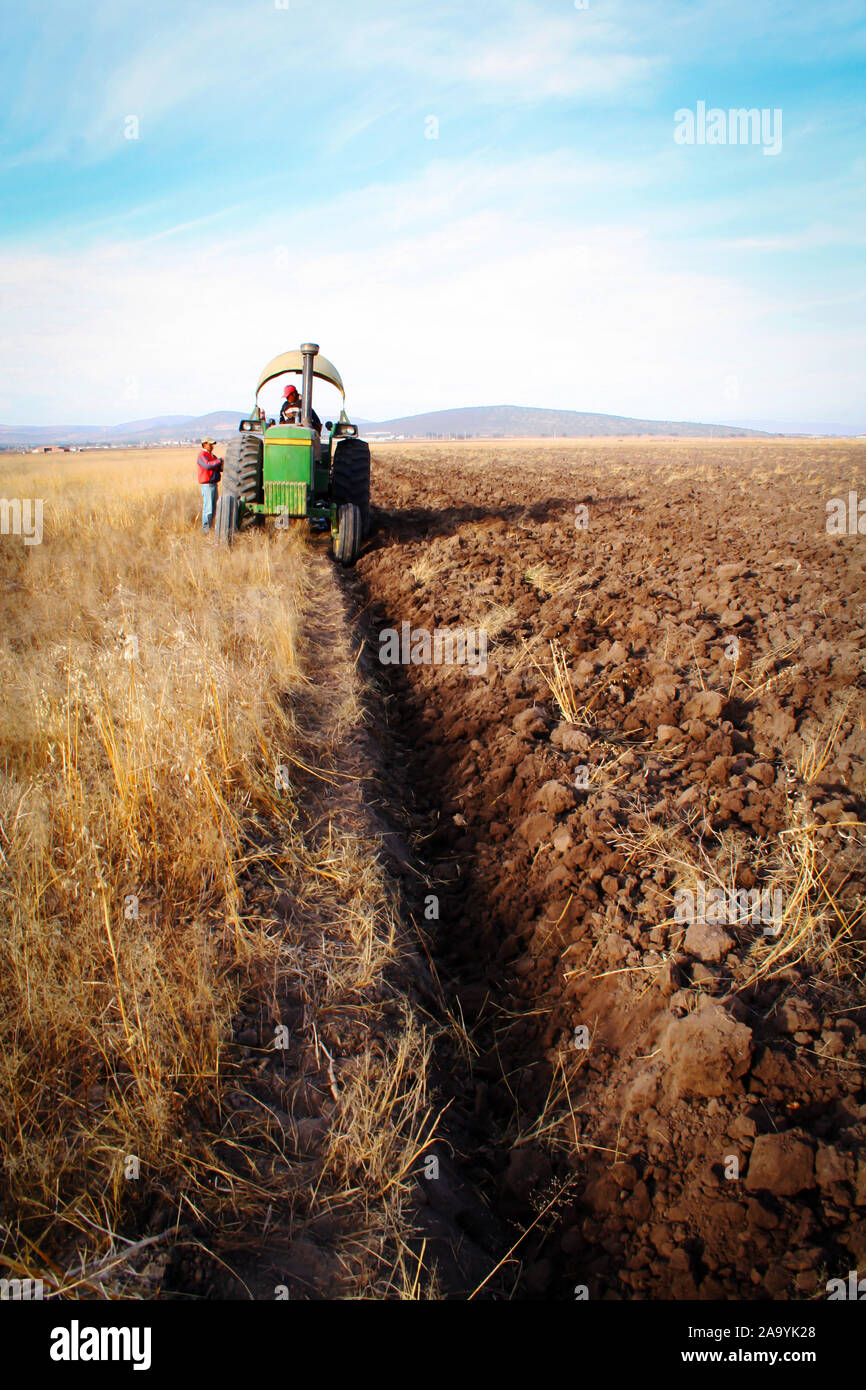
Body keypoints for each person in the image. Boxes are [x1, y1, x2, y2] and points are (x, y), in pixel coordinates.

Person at [197, 438, 223, 531]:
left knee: (213, 508)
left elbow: (218, 467)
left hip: (214, 484)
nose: (212, 446)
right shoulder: (202, 455)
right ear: (204, 444)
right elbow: (207, 465)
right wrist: (219, 461)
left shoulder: (212, 456)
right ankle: (206, 529)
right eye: (210, 444)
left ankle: (211, 528)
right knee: (208, 508)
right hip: (207, 485)